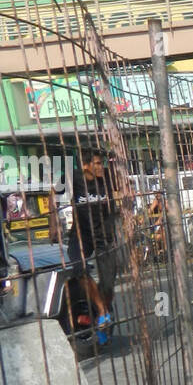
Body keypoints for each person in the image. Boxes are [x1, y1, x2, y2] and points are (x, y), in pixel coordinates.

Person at [66, 147, 119, 345]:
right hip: (81, 235)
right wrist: (54, 222)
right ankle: (103, 312)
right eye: (97, 164)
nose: (100, 168)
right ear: (85, 165)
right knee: (79, 268)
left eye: (101, 164)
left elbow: (123, 187)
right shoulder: (75, 178)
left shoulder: (106, 178)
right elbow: (54, 190)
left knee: (108, 284)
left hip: (104, 235)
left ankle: (103, 315)